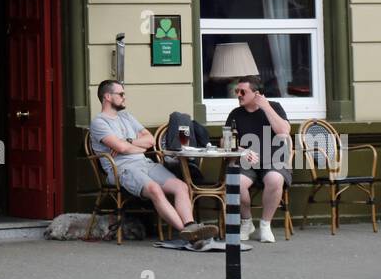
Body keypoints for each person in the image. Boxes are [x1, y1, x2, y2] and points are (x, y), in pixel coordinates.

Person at [89, 80, 219, 244]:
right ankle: (188, 234)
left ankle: (190, 225)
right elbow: (121, 148)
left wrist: (129, 142)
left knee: (181, 187)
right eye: (121, 94)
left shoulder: (126, 116)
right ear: (107, 97)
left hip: (144, 163)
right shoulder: (99, 122)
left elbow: (149, 140)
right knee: (154, 189)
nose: (124, 97)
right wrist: (133, 145)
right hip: (122, 169)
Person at [225, 76, 292, 242]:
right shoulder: (235, 114)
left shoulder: (274, 107)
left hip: (273, 160)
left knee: (275, 179)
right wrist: (242, 150)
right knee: (235, 182)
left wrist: (266, 107)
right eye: (237, 91)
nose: (238, 95)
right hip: (247, 163)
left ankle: (265, 225)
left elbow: (284, 131)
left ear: (256, 94)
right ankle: (246, 222)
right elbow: (225, 141)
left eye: (243, 91)